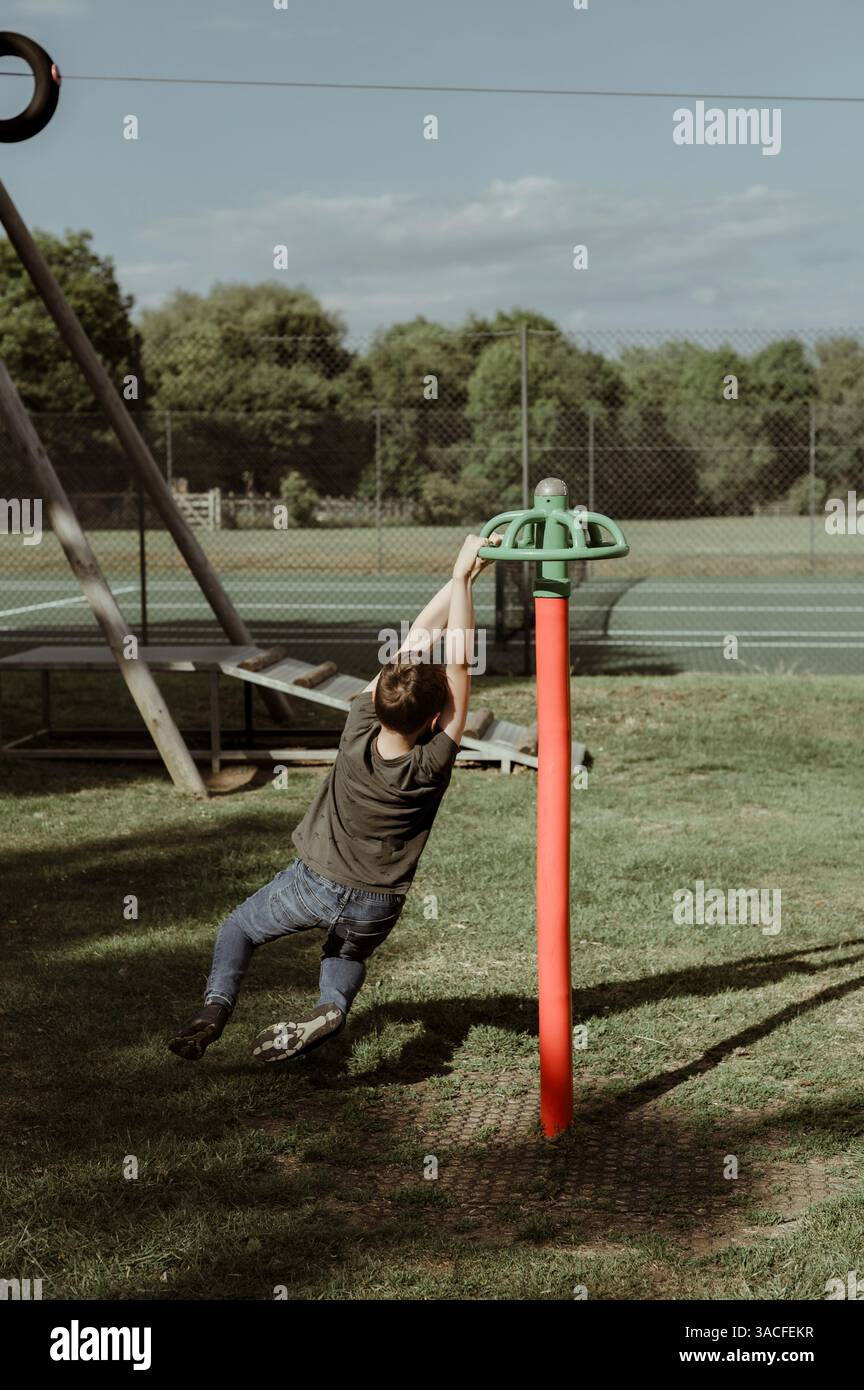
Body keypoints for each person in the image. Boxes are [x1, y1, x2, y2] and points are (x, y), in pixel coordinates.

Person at [168, 532, 499, 1065]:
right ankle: (332, 1007)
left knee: (239, 928)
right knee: (342, 951)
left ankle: (213, 1009)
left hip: (315, 882)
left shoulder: (357, 726)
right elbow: (459, 663)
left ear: (383, 698)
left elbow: (419, 637)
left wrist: (459, 575)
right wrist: (465, 582)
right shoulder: (432, 761)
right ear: (436, 720)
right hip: (378, 901)